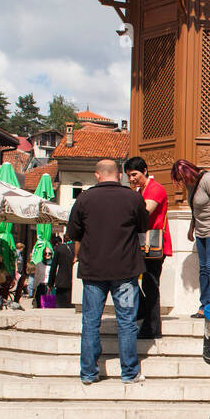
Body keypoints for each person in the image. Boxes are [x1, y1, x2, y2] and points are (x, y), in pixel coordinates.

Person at [65, 158, 148, 385]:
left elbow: (73, 232)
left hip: (94, 270)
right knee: (127, 322)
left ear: (98, 175)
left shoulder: (84, 198)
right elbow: (143, 226)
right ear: (119, 175)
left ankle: (89, 373)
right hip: (125, 268)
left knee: (91, 322)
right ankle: (129, 372)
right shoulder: (133, 198)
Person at [172, 159, 210, 318]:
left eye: (183, 178)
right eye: (180, 180)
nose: (183, 182)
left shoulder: (208, 179)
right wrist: (191, 228)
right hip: (201, 231)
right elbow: (195, 208)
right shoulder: (190, 184)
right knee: (203, 268)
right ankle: (204, 306)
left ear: (189, 172)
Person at [126, 156, 171, 340]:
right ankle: (144, 313)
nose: (131, 179)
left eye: (134, 174)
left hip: (153, 242)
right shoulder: (141, 190)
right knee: (135, 279)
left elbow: (144, 212)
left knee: (150, 284)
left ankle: (151, 326)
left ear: (145, 170)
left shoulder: (155, 189)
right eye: (128, 175)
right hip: (144, 242)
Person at [49, 233, 75, 308]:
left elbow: (53, 267)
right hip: (75, 281)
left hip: (62, 281)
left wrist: (50, 283)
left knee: (61, 306)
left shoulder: (59, 248)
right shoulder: (80, 248)